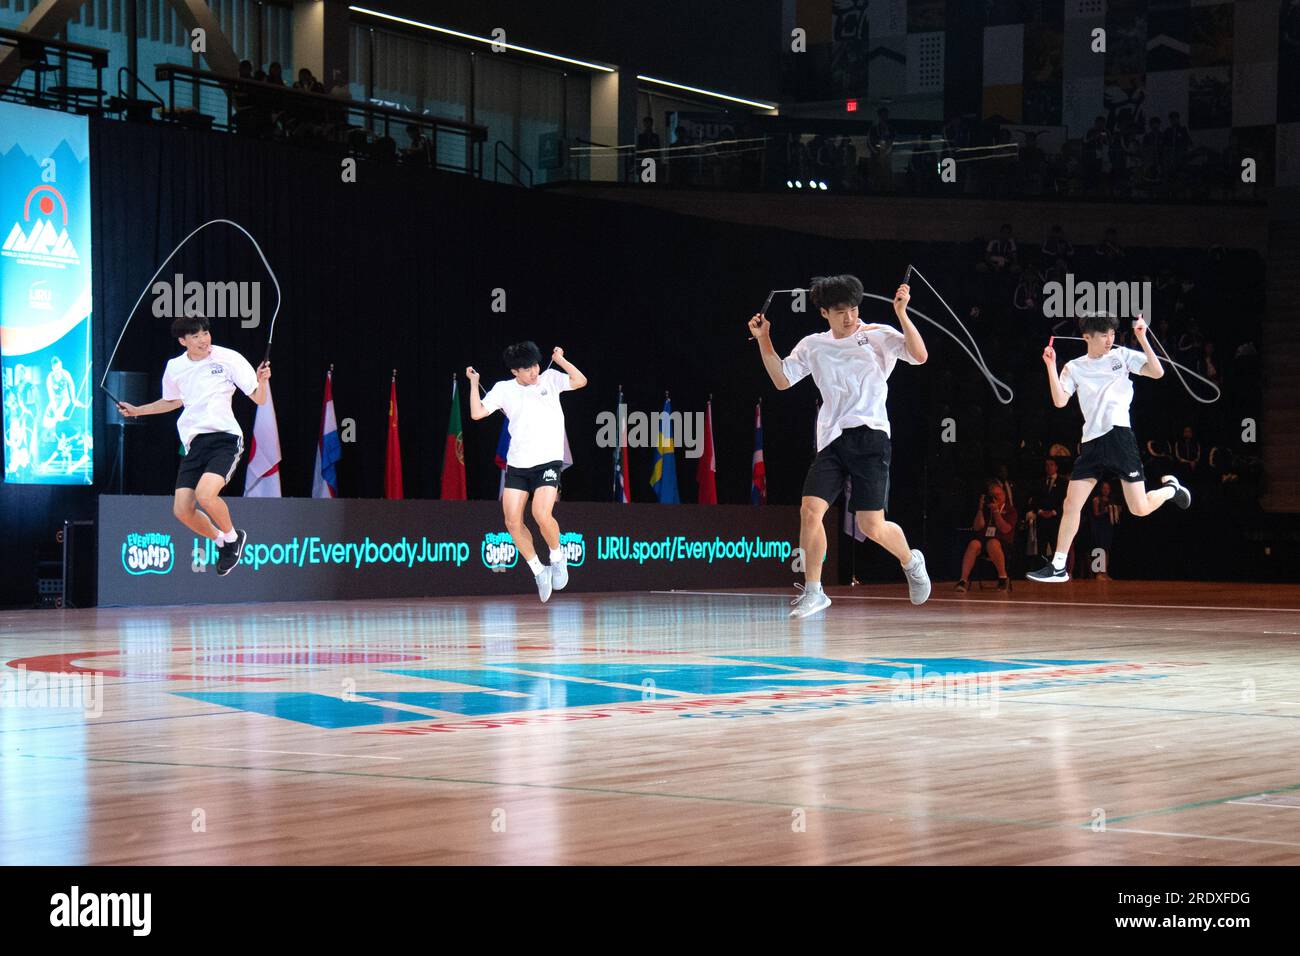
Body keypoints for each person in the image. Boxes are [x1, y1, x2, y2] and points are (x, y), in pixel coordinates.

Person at [748, 275, 931, 618]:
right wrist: (765, 339)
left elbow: (919, 356)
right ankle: (815, 591)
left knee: (870, 526)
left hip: (871, 437)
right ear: (824, 313)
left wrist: (903, 314)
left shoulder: (878, 335)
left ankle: (910, 559)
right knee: (809, 511)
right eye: (840, 311)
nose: (849, 317)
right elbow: (782, 379)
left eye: (853, 308)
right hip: (831, 440)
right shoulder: (813, 345)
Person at [1028, 312, 1190, 583]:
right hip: (1091, 442)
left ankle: (1171, 488)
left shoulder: (1122, 356)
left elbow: (1157, 371)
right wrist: (1051, 366)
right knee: (1071, 503)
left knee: (1138, 508)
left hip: (1119, 437)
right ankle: (1058, 566)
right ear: (1087, 337)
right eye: (1104, 335)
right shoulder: (1074, 366)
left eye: (1112, 334)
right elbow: (1059, 401)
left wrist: (1142, 338)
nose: (1109, 339)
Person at [116, 316, 271, 576]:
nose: (204, 340)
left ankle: (233, 537)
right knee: (182, 510)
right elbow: (172, 402)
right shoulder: (175, 367)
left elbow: (259, 398)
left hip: (225, 439)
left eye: (206, 333)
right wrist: (137, 411)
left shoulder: (228, 358)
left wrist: (263, 380)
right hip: (194, 443)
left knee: (206, 494)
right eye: (196, 336)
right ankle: (221, 541)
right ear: (182, 341)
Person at [467, 342, 587, 603]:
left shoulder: (550, 378)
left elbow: (580, 381)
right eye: (527, 369)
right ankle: (538, 570)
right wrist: (474, 383)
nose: (534, 372)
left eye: (535, 365)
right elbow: (477, 414)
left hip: (548, 462)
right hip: (519, 464)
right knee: (511, 521)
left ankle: (557, 557)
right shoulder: (503, 389)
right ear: (515, 372)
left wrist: (561, 360)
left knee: (541, 513)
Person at [955, 480, 1018, 591]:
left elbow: (1005, 529)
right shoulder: (986, 509)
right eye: (993, 496)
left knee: (992, 543)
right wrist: (980, 509)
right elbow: (977, 527)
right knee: (973, 544)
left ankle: (1003, 578)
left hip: (1002, 543)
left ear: (1004, 495)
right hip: (984, 541)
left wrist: (996, 512)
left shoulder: (1010, 510)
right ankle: (963, 580)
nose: (996, 498)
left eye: (998, 495)